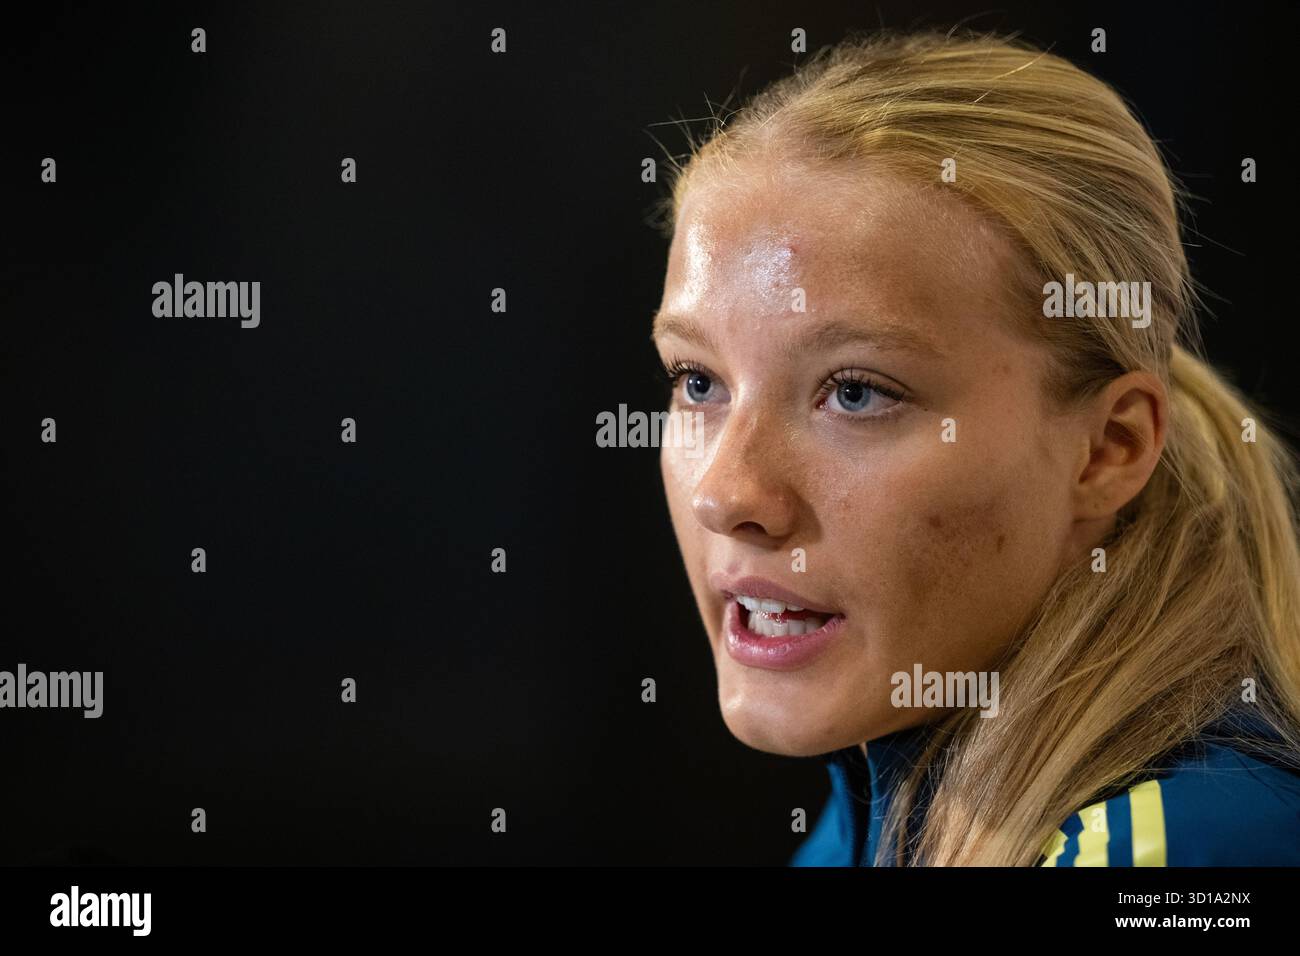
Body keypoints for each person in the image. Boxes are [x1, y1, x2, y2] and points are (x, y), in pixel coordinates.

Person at [649, 29, 1300, 866]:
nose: (726, 493)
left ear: (1108, 448)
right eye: (698, 381)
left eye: (856, 393)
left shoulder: (1193, 855)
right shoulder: (874, 811)